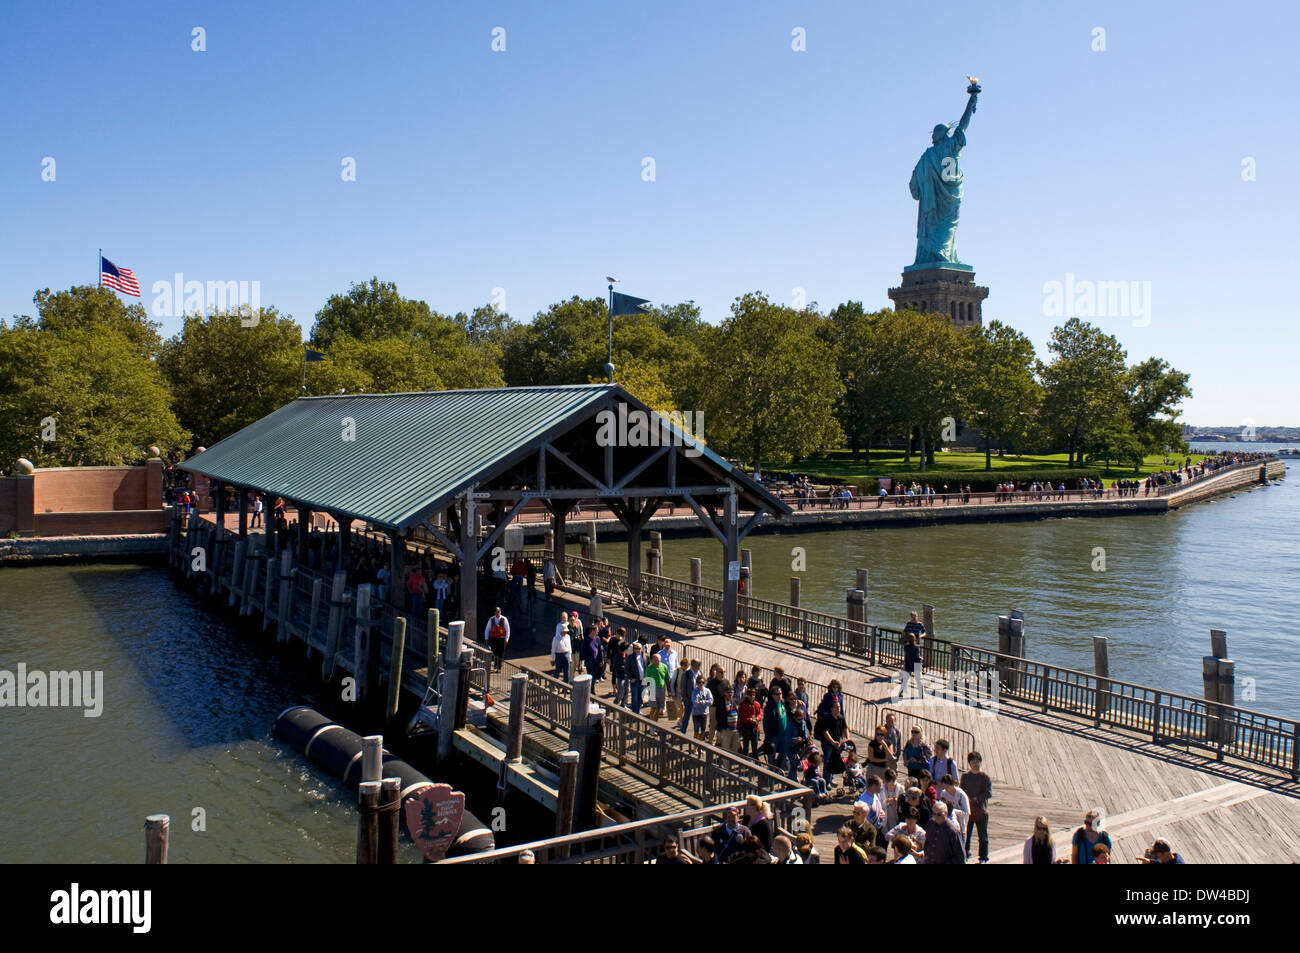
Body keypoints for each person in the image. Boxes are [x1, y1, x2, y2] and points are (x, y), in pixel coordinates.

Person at [960, 751, 992, 863]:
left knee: (983, 837)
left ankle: (983, 857)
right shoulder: (965, 776)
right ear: (969, 763)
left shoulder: (985, 777)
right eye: (973, 761)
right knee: (966, 835)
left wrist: (977, 798)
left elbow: (989, 793)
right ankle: (966, 854)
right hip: (968, 810)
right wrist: (967, 798)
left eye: (978, 761)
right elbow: (961, 790)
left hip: (981, 810)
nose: (975, 763)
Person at [815, 701, 850, 787]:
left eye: (839, 707)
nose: (838, 709)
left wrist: (848, 739)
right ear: (831, 708)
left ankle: (831, 779)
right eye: (836, 707)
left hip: (837, 744)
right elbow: (825, 732)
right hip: (828, 744)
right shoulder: (827, 718)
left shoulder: (841, 718)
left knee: (834, 761)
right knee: (828, 762)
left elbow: (845, 729)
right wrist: (832, 742)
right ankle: (826, 782)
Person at [938, 774, 970, 841]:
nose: (946, 788)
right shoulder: (943, 794)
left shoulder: (961, 795)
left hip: (960, 826)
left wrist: (954, 811)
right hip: (946, 827)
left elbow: (967, 812)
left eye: (947, 786)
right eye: (944, 786)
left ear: (952, 784)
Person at [483, 606, 510, 671]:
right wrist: (486, 638)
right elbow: (487, 629)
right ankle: (495, 665)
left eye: (499, 611)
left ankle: (499, 667)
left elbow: (507, 629)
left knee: (501, 652)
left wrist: (507, 639)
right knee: (494, 652)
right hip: (493, 638)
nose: (498, 613)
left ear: (500, 612)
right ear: (494, 612)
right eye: (496, 612)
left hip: (501, 638)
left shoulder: (504, 619)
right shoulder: (491, 619)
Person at [644, 652, 669, 720]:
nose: (656, 661)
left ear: (660, 659)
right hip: (652, 689)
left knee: (659, 707)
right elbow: (646, 679)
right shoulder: (650, 667)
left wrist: (669, 691)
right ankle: (651, 722)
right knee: (653, 707)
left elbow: (667, 679)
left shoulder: (664, 667)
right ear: (652, 660)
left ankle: (655, 721)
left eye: (657, 659)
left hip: (662, 689)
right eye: (654, 660)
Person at [738, 689, 762, 758]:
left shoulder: (757, 704)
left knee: (755, 746)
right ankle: (744, 761)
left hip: (754, 728)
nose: (752, 697)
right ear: (747, 695)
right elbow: (741, 717)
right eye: (750, 695)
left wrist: (757, 718)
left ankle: (756, 761)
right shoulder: (743, 704)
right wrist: (749, 720)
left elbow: (760, 714)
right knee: (746, 747)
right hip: (746, 728)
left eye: (753, 695)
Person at [900, 632, 924, 699]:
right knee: (919, 680)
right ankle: (921, 694)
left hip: (909, 663)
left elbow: (906, 656)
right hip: (917, 664)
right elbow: (917, 656)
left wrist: (904, 664)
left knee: (905, 679)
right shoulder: (917, 647)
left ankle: (902, 692)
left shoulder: (906, 647)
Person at [624, 641, 645, 714]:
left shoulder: (645, 656)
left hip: (643, 680)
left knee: (641, 697)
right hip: (635, 680)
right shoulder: (630, 658)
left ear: (641, 648)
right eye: (636, 648)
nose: (638, 650)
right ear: (634, 649)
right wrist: (631, 678)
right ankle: (634, 713)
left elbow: (647, 667)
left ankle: (638, 710)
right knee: (635, 698)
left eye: (639, 648)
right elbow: (626, 669)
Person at [690, 675, 713, 739]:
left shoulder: (707, 690)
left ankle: (699, 745)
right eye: (699, 682)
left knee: (703, 730)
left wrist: (701, 702)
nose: (701, 684)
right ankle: (695, 745)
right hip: (696, 714)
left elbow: (711, 701)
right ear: (697, 683)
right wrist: (705, 702)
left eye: (703, 682)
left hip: (704, 713)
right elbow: (695, 703)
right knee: (696, 731)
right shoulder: (694, 691)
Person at [550, 618, 572, 683]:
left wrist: (570, 657)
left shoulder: (568, 637)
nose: (565, 633)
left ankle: (566, 685)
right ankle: (554, 684)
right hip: (559, 655)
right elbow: (553, 649)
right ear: (561, 631)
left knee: (567, 672)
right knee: (557, 671)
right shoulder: (556, 638)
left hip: (566, 654)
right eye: (564, 632)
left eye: (566, 632)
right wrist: (552, 659)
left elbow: (569, 647)